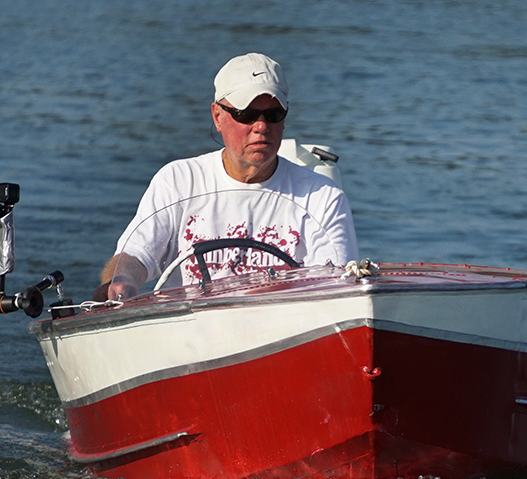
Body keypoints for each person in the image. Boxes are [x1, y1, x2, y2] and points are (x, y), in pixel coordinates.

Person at [98, 53, 358, 300]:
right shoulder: (178, 180)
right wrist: (123, 282)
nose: (261, 126)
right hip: (191, 334)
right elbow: (135, 255)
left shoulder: (324, 196)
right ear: (217, 116)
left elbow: (336, 285)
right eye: (246, 114)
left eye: (273, 114)